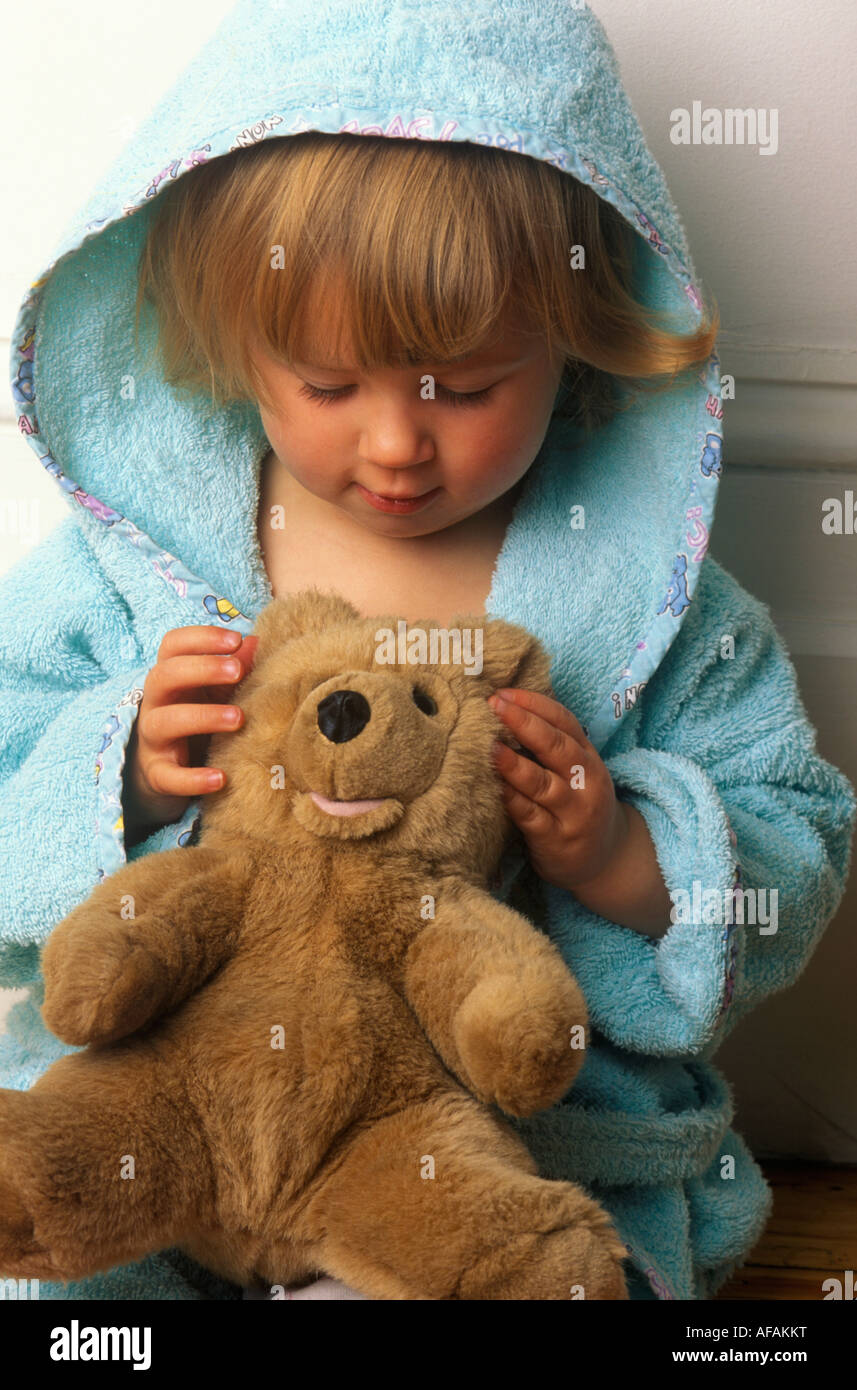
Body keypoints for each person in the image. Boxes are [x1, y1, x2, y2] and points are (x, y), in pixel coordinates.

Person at [1, 0, 853, 1302]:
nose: (398, 443)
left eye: (461, 386)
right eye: (329, 384)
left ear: (569, 338)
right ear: (236, 340)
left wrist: (622, 849)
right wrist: (118, 774)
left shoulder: (656, 599)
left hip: (479, 1148)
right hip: (175, 1117)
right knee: (60, 1269)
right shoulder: (128, 569)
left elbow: (790, 832)